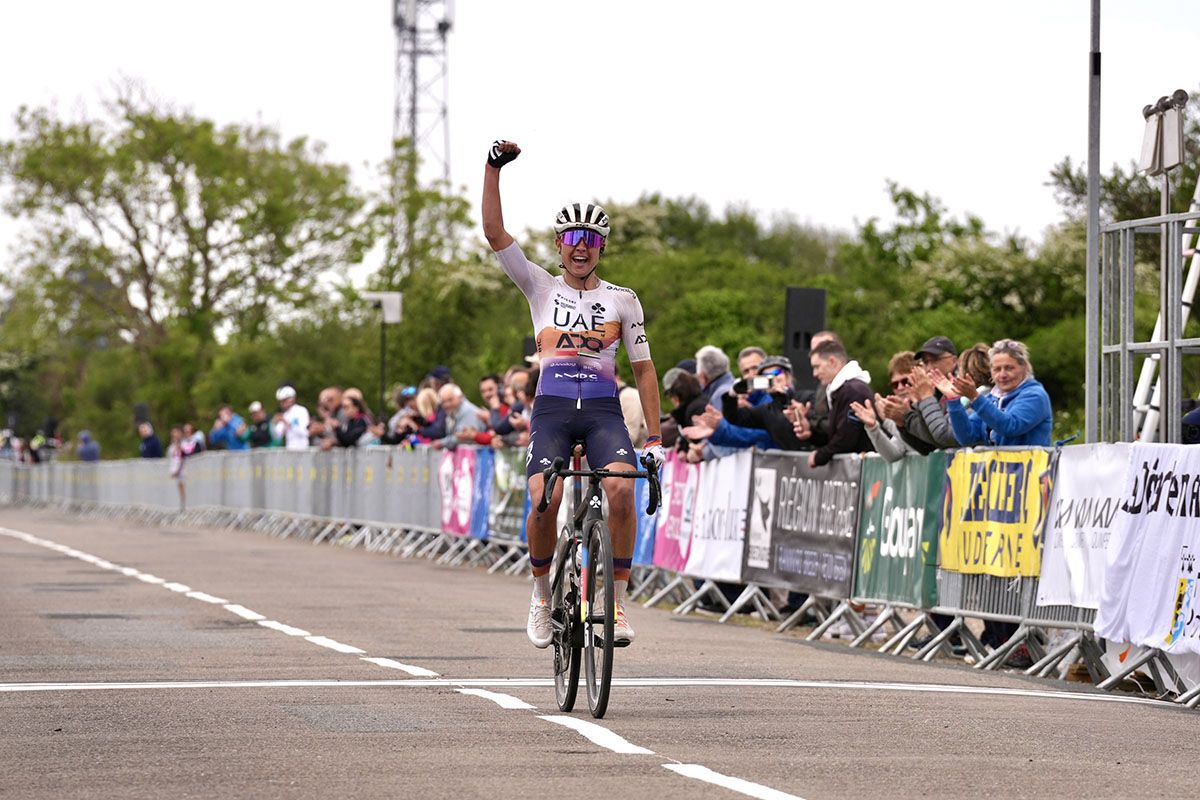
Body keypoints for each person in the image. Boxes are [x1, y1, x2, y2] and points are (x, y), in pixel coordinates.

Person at [482, 138, 664, 649]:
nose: (580, 245)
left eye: (590, 237)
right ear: (559, 245)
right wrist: (493, 168)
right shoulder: (540, 288)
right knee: (547, 497)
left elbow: (645, 370)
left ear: (601, 247)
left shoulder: (623, 301)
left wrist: (654, 437)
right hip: (554, 411)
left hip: (604, 412)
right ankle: (542, 597)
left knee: (624, 490)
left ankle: (618, 602)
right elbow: (494, 232)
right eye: (571, 237)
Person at [943, 339, 1053, 447]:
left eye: (1009, 368)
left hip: (1031, 465)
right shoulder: (992, 398)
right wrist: (953, 400)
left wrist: (975, 398)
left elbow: (1010, 426)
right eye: (997, 369)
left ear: (1024, 367)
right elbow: (967, 438)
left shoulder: (1035, 395)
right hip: (998, 465)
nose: (1002, 375)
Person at [793, 340, 873, 467]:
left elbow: (846, 438)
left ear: (832, 362)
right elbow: (837, 434)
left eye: (817, 367)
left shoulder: (852, 391)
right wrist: (811, 433)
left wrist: (820, 456)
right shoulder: (842, 390)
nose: (814, 374)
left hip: (865, 473)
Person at [850, 352, 920, 463]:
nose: (900, 388)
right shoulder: (903, 410)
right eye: (895, 384)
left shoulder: (928, 405)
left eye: (905, 381)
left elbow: (923, 449)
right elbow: (893, 455)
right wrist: (873, 428)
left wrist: (888, 422)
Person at [273, 385, 311, 451]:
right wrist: (274, 423)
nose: (281, 404)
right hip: (290, 449)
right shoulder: (285, 415)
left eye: (283, 401)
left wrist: (287, 423)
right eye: (280, 402)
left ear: (291, 399)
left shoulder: (301, 410)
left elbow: (304, 432)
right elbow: (277, 435)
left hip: (303, 448)